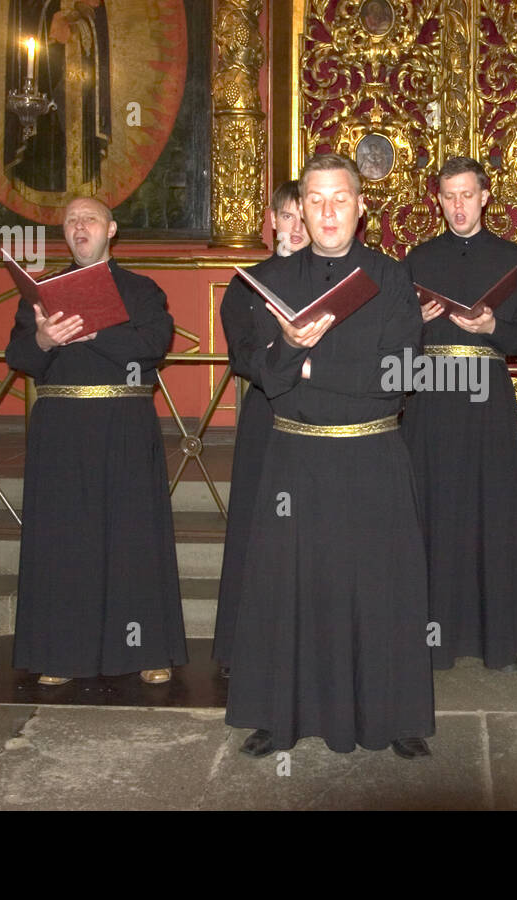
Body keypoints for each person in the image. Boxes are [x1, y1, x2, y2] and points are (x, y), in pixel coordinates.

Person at [224, 153, 434, 758]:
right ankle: (279, 714)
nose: (327, 211)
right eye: (315, 200)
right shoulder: (271, 283)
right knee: (289, 588)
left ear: (361, 206)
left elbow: (399, 374)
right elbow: (257, 369)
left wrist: (308, 363)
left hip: (372, 458)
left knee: (380, 589)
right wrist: (289, 354)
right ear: (301, 210)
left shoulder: (390, 278)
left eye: (339, 198)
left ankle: (395, 718)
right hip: (295, 461)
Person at [5, 196, 188, 686]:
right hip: (61, 429)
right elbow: (19, 356)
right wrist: (45, 339)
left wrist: (91, 332)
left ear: (111, 229)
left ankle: (148, 648)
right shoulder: (40, 294)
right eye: (70, 221)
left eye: (89, 219)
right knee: (64, 540)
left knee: (134, 537)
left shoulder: (142, 290)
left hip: (123, 425)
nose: (79, 227)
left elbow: (153, 347)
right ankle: (61, 653)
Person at [403, 156, 517, 672]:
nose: (458, 206)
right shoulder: (417, 260)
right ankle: (430, 639)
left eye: (467, 195)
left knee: (493, 510)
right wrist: (412, 324)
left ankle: (497, 641)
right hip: (431, 396)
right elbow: (386, 336)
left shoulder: (511, 259)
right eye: (448, 196)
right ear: (437, 200)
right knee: (431, 509)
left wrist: (492, 328)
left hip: (486, 394)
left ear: (486, 197)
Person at [211, 180, 305, 675]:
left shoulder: (333, 277)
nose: (293, 227)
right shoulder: (247, 284)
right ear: (271, 220)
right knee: (255, 527)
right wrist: (281, 362)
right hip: (266, 414)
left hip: (320, 415)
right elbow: (240, 356)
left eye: (302, 217)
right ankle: (243, 645)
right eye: (285, 216)